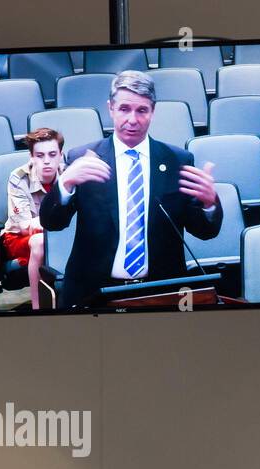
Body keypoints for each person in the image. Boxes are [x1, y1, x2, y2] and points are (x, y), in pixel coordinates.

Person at [39, 69, 222, 309]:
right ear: (111, 109)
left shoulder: (178, 161)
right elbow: (52, 222)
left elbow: (204, 231)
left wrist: (209, 204)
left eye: (142, 110)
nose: (132, 120)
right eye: (124, 109)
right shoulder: (83, 158)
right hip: (93, 291)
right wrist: (64, 184)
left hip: (160, 291)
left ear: (153, 112)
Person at [1, 127, 65, 310]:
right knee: (39, 242)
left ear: (61, 155)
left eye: (52, 154)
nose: (47, 161)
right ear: (31, 157)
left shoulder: (68, 175)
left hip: (56, 235)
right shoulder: (18, 178)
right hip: (18, 239)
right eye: (40, 155)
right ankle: (38, 308)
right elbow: (23, 226)